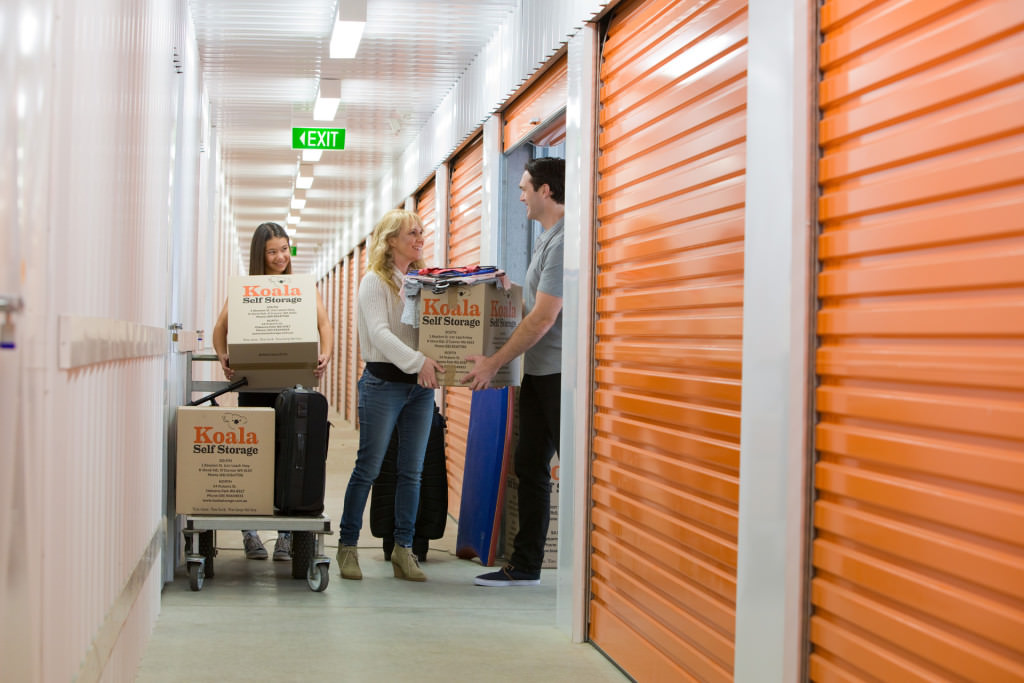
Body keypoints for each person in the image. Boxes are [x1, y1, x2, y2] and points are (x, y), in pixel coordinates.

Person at [462, 157, 565, 587]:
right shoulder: (546, 239)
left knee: (570, 472)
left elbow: (543, 319)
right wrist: (508, 293)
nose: (520, 195)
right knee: (530, 466)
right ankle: (525, 566)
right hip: (540, 375)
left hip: (562, 377)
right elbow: (535, 307)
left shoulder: (564, 242)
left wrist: (494, 362)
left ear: (545, 191)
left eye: (524, 187)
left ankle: (589, 571)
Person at [211, 221, 334, 561]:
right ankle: (250, 534)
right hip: (254, 388)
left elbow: (324, 324)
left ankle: (284, 535)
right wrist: (223, 356)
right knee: (253, 460)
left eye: (284, 249)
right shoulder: (246, 289)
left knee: (288, 458)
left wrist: (325, 353)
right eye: (272, 251)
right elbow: (219, 328)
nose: (280, 257)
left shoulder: (299, 288)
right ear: (259, 255)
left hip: (292, 391)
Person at [336, 209, 445, 582]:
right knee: (369, 468)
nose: (420, 238)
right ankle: (347, 547)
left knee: (412, 473)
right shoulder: (374, 282)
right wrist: (419, 362)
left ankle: (403, 550)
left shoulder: (423, 280)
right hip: (383, 385)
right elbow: (381, 334)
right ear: (390, 240)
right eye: (411, 233)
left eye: (420, 232)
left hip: (418, 390)